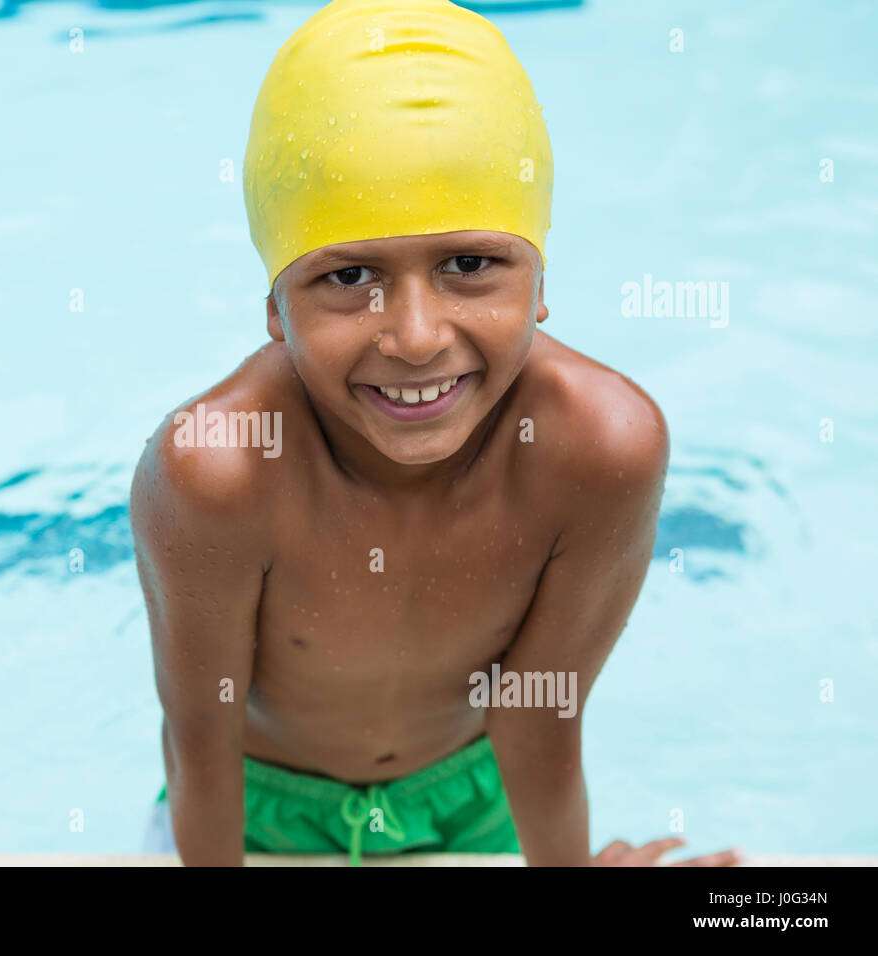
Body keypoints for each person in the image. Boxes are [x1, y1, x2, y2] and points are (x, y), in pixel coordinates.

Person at [130, 0, 741, 867]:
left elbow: (536, 707)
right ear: (274, 308)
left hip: (474, 801)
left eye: (469, 265)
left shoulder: (603, 448)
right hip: (258, 812)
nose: (415, 337)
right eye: (347, 275)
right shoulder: (218, 469)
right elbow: (198, 739)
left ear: (539, 282)